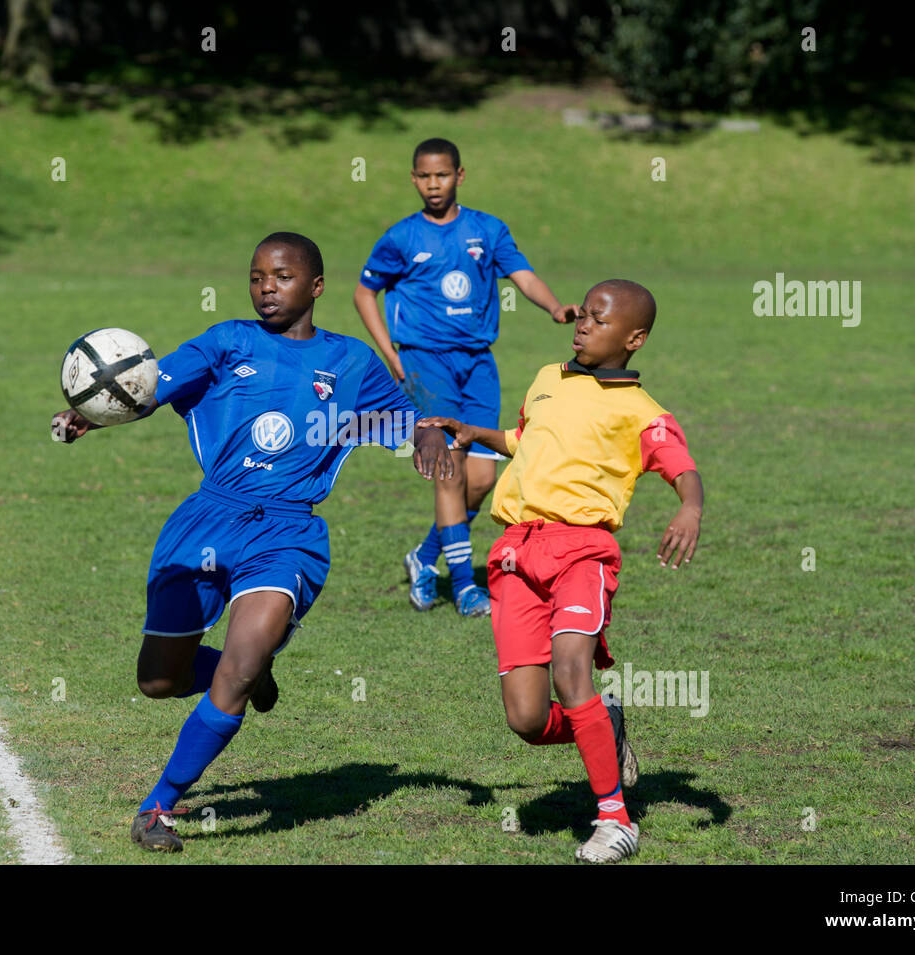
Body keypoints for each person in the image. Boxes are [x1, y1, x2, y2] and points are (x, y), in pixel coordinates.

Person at [51, 232, 453, 853]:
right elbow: (147, 384)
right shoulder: (226, 341)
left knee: (237, 667)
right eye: (258, 276)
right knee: (159, 680)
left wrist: (427, 434)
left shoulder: (350, 363)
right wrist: (92, 413)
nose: (268, 287)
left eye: (283, 276)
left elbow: (405, 413)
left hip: (288, 531)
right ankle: (247, 676)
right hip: (207, 521)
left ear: (316, 287)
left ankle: (158, 807)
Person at [419, 279, 704, 863]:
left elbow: (681, 467)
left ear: (635, 338)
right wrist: (481, 435)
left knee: (572, 669)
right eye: (584, 313)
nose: (582, 324)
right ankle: (607, 725)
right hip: (515, 555)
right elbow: (527, 440)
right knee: (526, 718)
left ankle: (613, 820)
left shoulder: (642, 412)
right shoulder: (548, 378)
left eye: (599, 320)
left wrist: (690, 507)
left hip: (582, 553)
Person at [354, 138, 575, 617]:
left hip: (478, 363)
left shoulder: (488, 230)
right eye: (424, 176)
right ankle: (464, 585)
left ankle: (425, 557)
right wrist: (389, 351)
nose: (434, 184)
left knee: (482, 478)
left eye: (443, 175)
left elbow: (524, 276)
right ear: (414, 179)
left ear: (460, 175)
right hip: (425, 362)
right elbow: (364, 293)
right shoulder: (401, 238)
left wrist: (556, 307)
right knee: (449, 469)